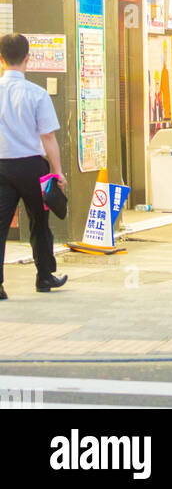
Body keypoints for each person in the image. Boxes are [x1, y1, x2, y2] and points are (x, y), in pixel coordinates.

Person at [0, 33, 68, 298]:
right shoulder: (37, 94)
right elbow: (48, 137)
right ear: (28, 58)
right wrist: (57, 172)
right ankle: (44, 277)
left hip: (1, 168)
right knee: (40, 222)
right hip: (32, 169)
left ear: (1, 59)